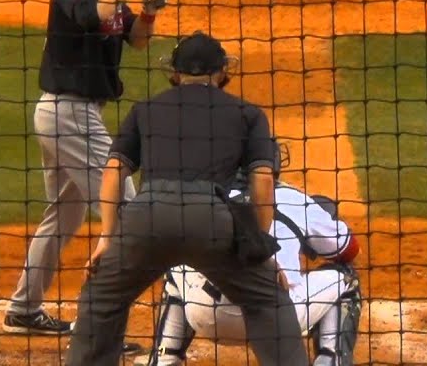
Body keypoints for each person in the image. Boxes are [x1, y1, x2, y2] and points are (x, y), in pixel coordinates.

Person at [65, 32, 309, 366]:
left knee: (102, 298)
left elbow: (112, 173)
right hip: (211, 222)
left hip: (146, 218)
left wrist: (108, 237)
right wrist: (262, 248)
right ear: (222, 71)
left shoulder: (145, 109)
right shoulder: (247, 113)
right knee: (268, 301)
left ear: (176, 73)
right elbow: (263, 180)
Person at [2, 0, 169, 338]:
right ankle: (102, 327)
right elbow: (87, 14)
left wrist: (150, 9)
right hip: (69, 113)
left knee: (64, 217)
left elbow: (132, 38)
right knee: (129, 212)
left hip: (67, 114)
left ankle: (23, 309)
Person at [136, 141, 362, 366]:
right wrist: (307, 232)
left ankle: (163, 358)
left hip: (205, 314)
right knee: (347, 278)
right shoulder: (295, 199)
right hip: (276, 322)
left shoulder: (202, 198)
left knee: (178, 267)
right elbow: (348, 249)